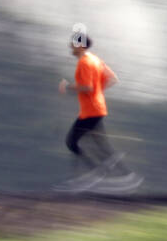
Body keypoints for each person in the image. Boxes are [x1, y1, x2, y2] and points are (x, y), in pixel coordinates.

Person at [55, 24, 142, 193]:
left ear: (80, 45)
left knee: (72, 142)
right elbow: (113, 79)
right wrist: (97, 93)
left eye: (73, 44)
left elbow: (86, 87)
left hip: (90, 112)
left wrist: (68, 87)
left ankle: (97, 173)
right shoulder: (95, 60)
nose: (70, 47)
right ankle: (127, 176)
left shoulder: (84, 63)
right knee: (101, 146)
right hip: (97, 109)